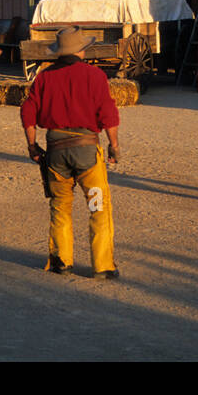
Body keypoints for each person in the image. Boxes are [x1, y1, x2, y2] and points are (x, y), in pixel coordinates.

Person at [20, 26, 122, 279]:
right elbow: (107, 113)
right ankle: (103, 266)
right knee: (98, 208)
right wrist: (114, 146)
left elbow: (28, 112)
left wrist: (32, 146)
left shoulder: (43, 77)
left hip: (56, 153)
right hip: (87, 152)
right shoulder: (95, 75)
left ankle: (61, 262)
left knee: (60, 207)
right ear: (80, 50)